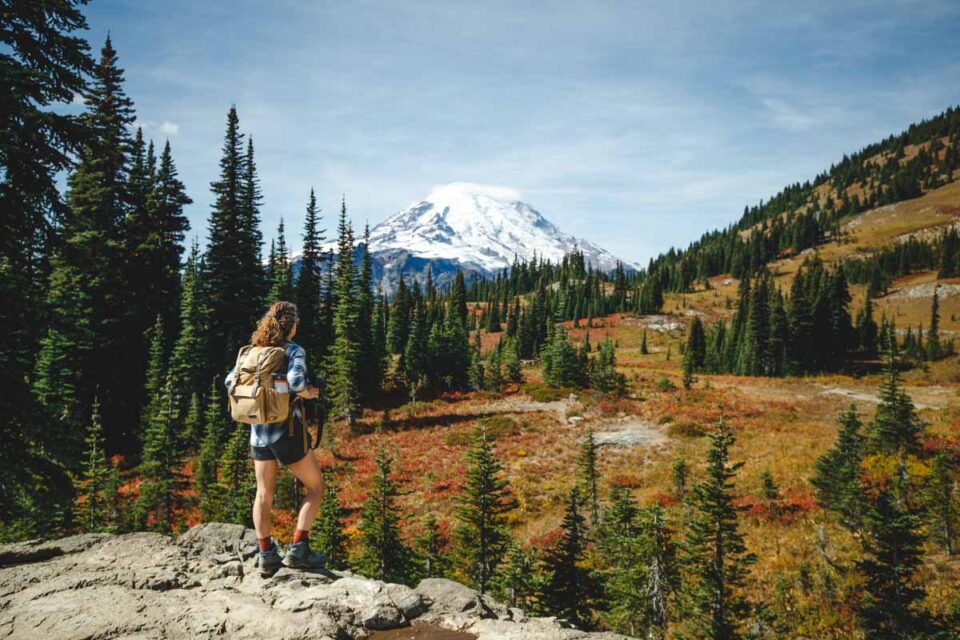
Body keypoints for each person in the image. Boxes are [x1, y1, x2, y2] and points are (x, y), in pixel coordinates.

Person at [225, 301, 326, 573]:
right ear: (290, 326)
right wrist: (308, 393)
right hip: (287, 433)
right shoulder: (293, 350)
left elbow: (229, 381)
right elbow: (295, 383)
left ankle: (266, 554)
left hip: (258, 435)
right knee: (316, 487)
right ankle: (298, 549)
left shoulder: (252, 351)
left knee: (263, 494)